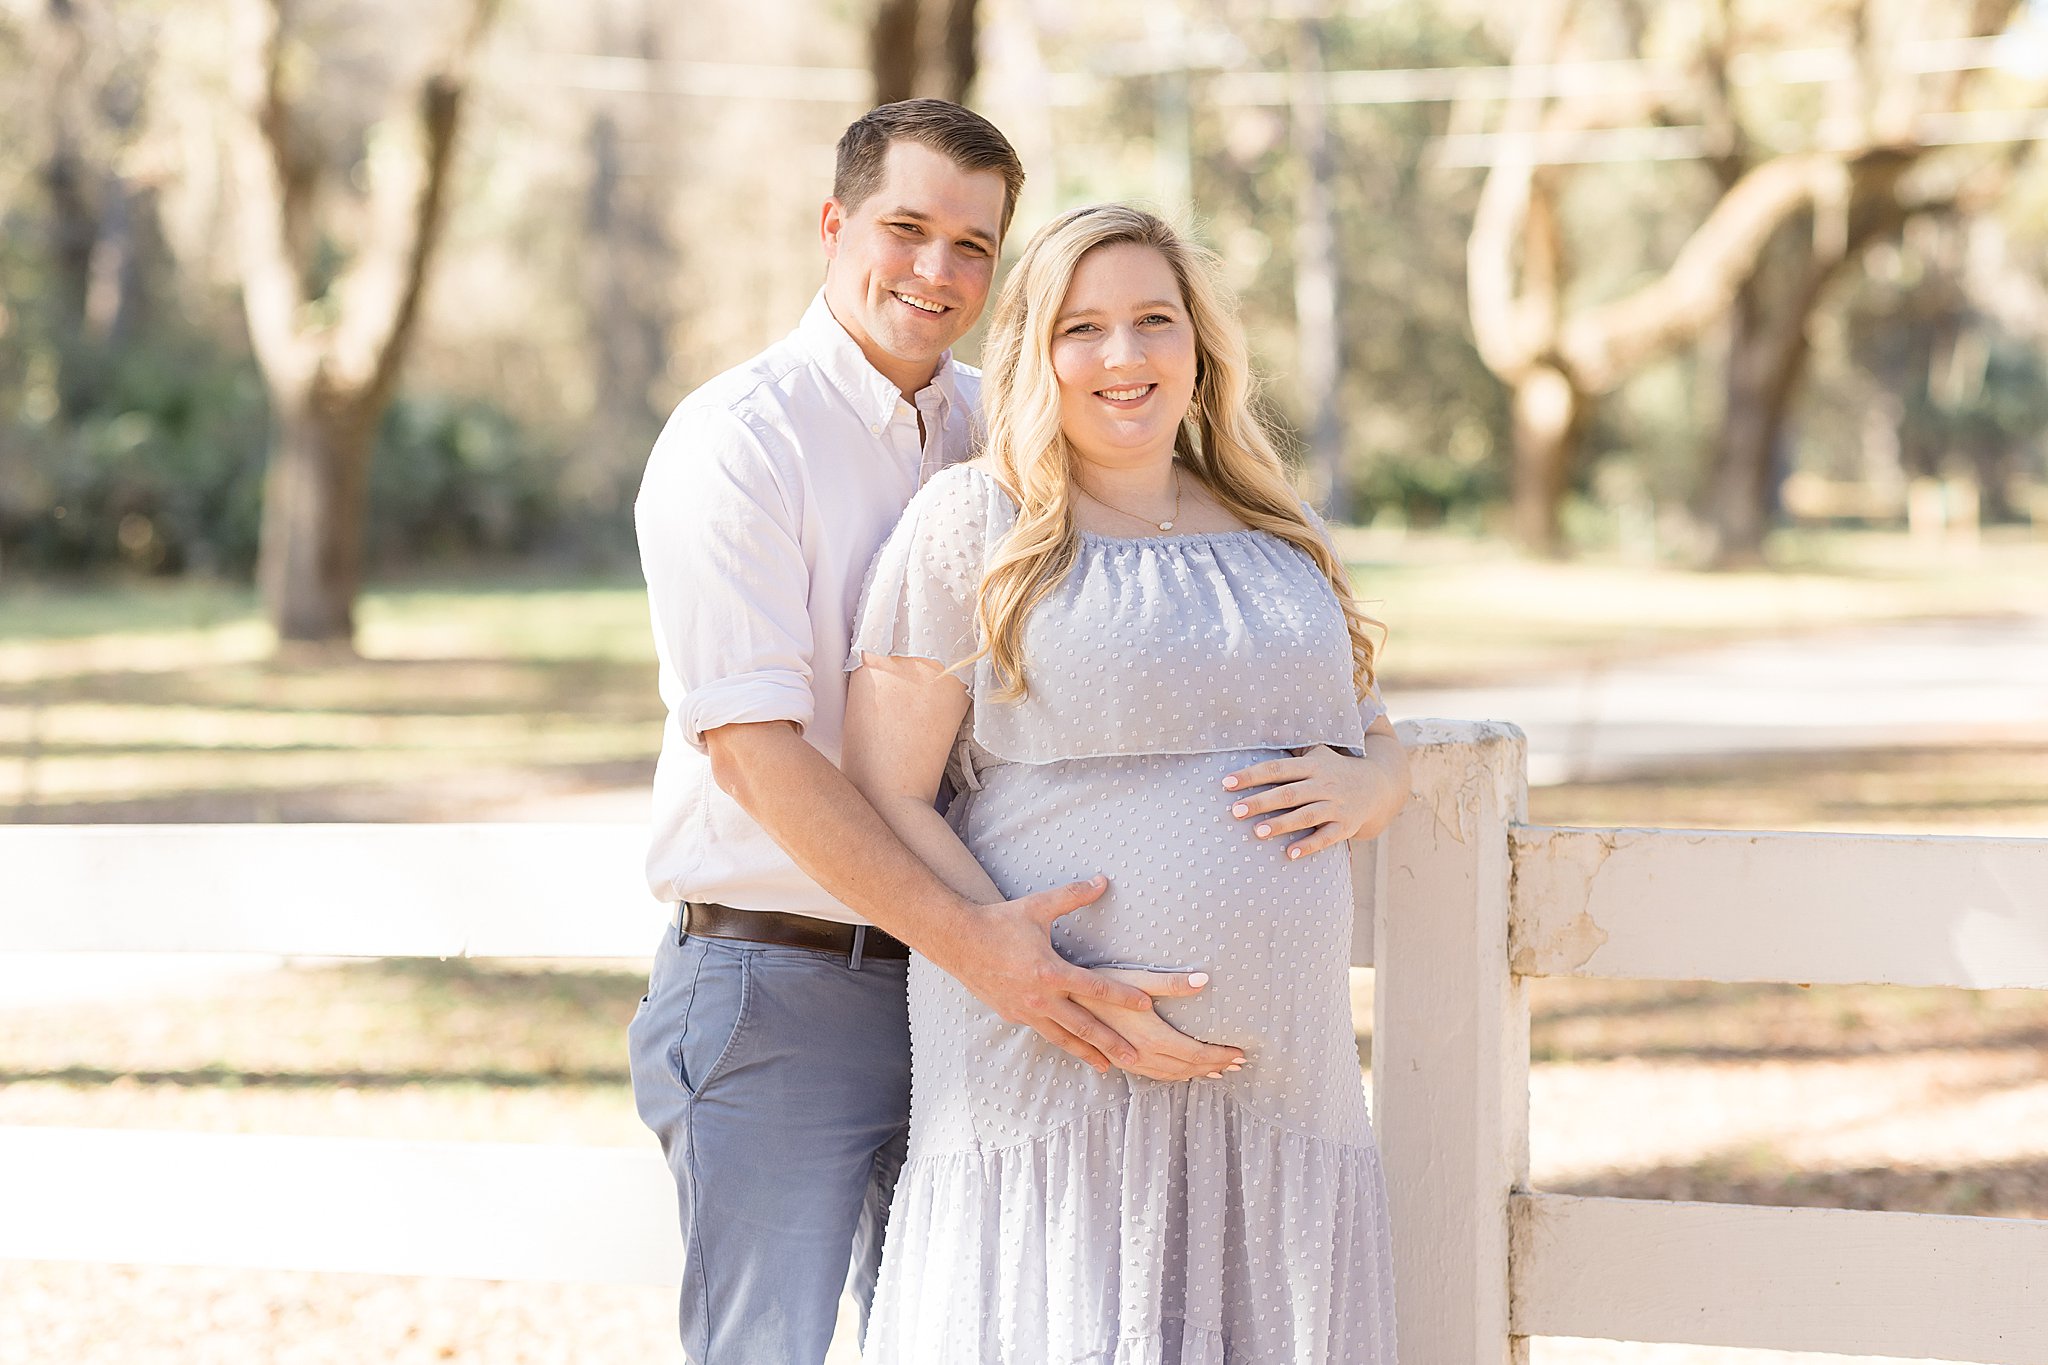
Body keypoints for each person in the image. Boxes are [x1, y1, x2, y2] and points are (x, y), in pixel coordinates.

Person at [627, 104, 1249, 1365]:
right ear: (832, 224)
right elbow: (753, 751)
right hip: (781, 983)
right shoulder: (736, 442)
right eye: (905, 229)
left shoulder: (1007, 428)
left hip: (968, 995)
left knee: (980, 1336)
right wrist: (978, 947)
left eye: (973, 244)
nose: (935, 271)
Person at [842, 203, 1411, 1363]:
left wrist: (1377, 786)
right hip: (1052, 1049)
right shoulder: (975, 523)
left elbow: (1370, 731)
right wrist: (1036, 974)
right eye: (1080, 328)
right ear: (1032, 356)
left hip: (1276, 1082)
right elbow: (885, 788)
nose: (1122, 357)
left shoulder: (1279, 529)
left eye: (1153, 321)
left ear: (1198, 350)